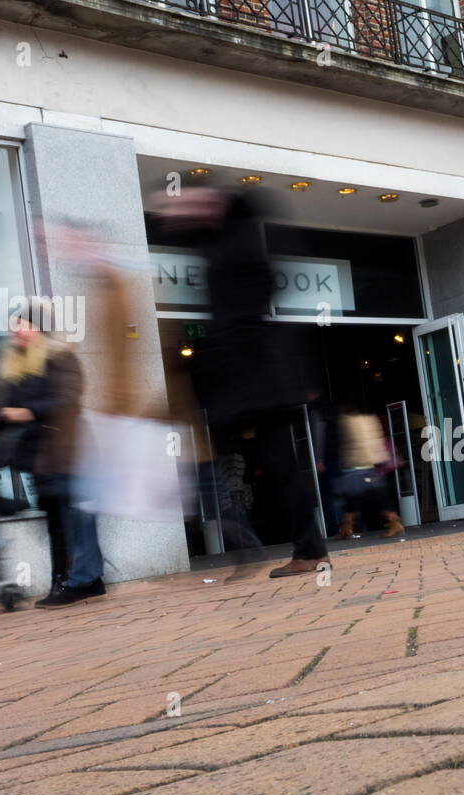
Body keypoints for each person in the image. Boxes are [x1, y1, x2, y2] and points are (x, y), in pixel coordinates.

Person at [147, 185, 329, 578]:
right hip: (252, 383)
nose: (173, 213)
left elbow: (241, 318)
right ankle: (298, 549)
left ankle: (303, 551)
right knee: (264, 467)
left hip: (255, 383)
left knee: (266, 467)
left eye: (183, 203)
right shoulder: (225, 241)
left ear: (211, 203)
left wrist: (220, 369)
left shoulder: (239, 245)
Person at [0, 296, 106, 608]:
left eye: (22, 325)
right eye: (14, 327)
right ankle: (76, 581)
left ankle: (77, 581)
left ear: (38, 327)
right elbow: (14, 411)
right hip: (43, 458)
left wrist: (25, 413)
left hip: (69, 452)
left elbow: (66, 401)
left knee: (74, 518)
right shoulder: (21, 368)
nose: (16, 332)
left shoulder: (61, 358)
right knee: (61, 521)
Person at [333, 402, 404, 540]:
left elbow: (344, 444)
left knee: (349, 496)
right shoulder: (370, 420)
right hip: (370, 464)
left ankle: (347, 527)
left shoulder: (345, 421)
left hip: (354, 465)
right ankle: (347, 528)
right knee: (374, 495)